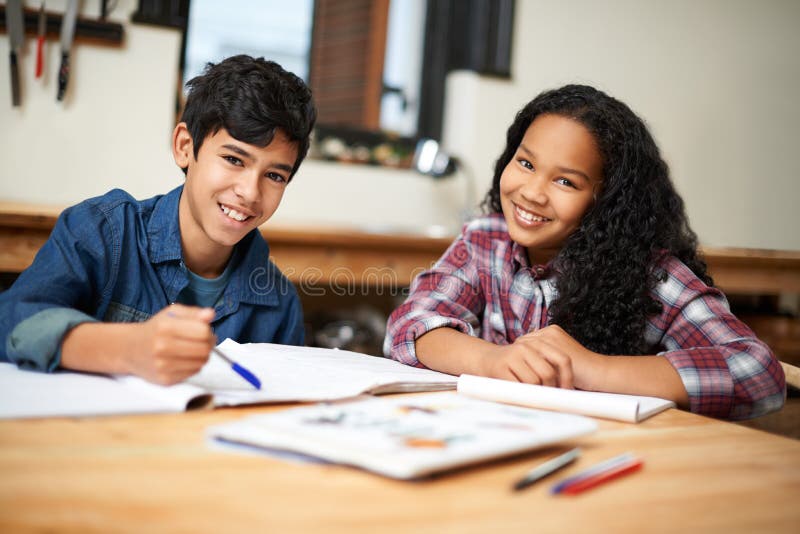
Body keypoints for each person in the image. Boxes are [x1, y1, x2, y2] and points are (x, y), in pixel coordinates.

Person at [384, 84, 785, 420]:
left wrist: (591, 368)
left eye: (565, 181)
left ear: (607, 201)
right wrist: (492, 361)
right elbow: (410, 324)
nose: (532, 192)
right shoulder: (484, 240)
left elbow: (757, 373)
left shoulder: (652, 275)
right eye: (525, 163)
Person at [0, 55, 317, 385]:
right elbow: (10, 320)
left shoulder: (278, 301)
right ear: (184, 147)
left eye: (274, 176)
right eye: (234, 159)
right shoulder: (103, 232)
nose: (250, 192)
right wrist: (127, 348)